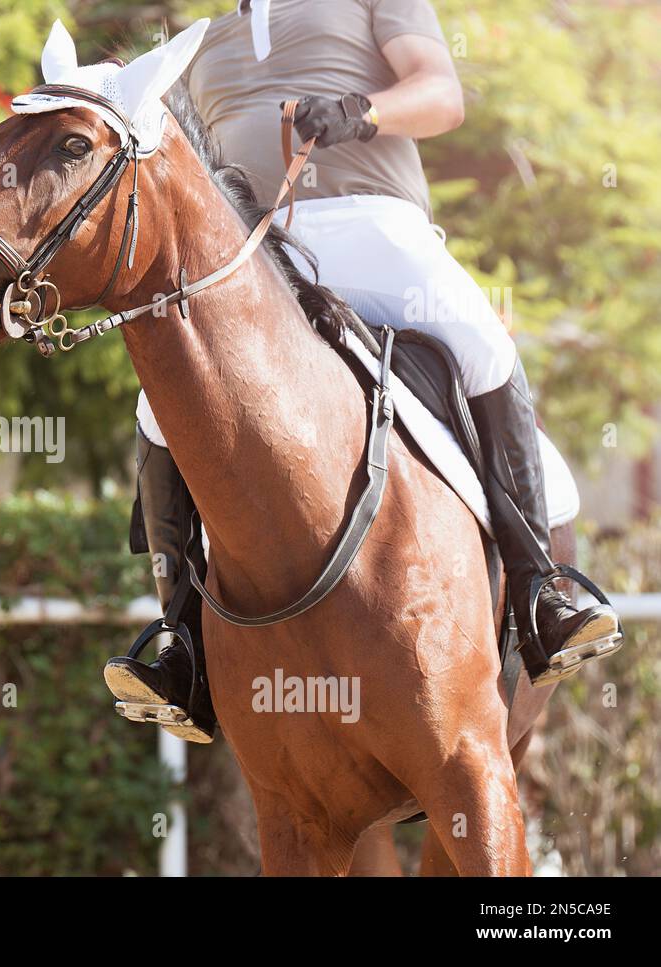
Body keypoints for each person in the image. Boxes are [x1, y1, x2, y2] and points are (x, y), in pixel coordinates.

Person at [103, 0, 622, 744]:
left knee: (484, 344)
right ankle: (181, 647)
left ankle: (542, 591)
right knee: (156, 410)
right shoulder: (199, 39)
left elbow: (441, 94)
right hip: (259, 259)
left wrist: (361, 111)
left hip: (376, 229)